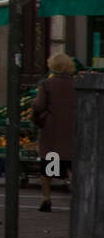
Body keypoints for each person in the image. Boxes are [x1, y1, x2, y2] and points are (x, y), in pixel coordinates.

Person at [31, 52, 76, 212]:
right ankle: (76, 199)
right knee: (71, 164)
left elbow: (38, 106)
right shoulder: (76, 83)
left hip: (52, 130)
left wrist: (38, 116)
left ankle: (46, 198)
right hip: (72, 130)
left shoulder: (47, 84)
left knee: (49, 164)